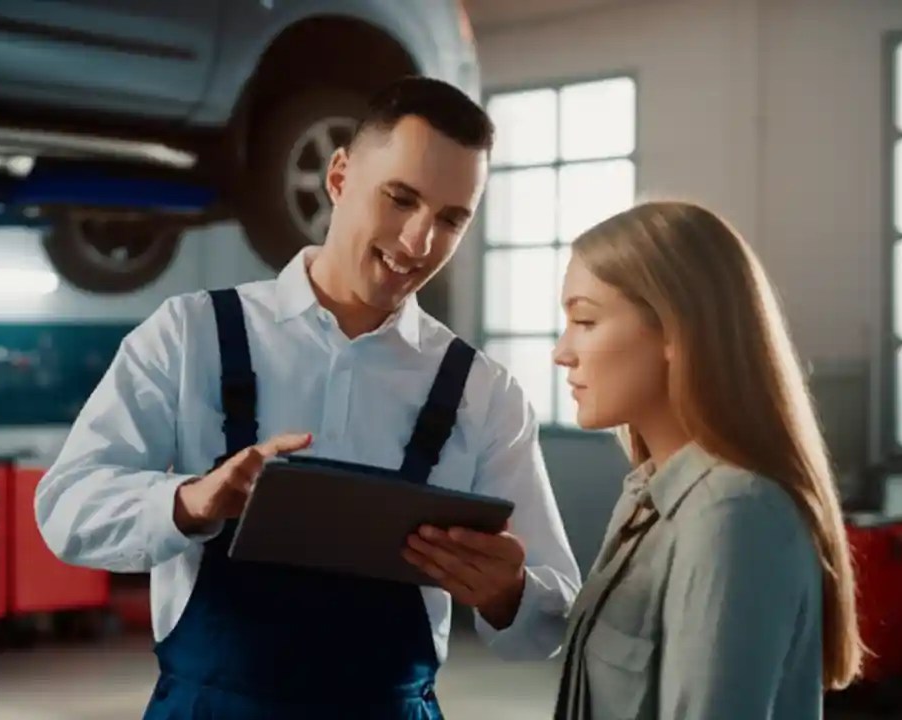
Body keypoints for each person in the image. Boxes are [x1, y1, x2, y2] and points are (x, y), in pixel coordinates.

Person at [34, 76, 581, 720]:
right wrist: (190, 502)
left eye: (450, 219)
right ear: (340, 176)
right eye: (400, 199)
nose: (417, 243)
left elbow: (552, 614)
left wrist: (508, 593)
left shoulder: (484, 394)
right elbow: (66, 508)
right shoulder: (192, 336)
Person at [550, 201, 863, 719]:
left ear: (675, 329)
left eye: (585, 319)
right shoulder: (648, 499)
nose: (563, 351)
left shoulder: (731, 513)